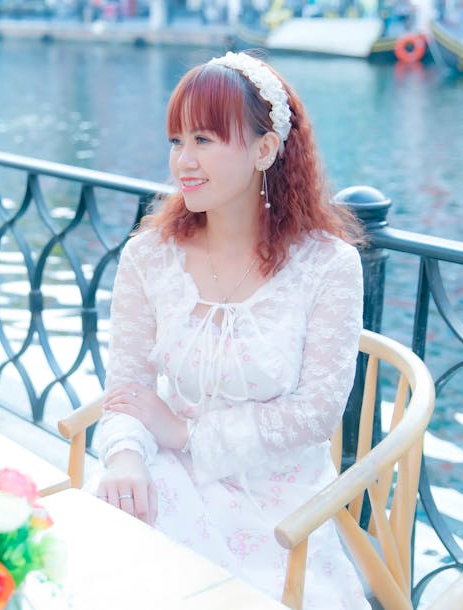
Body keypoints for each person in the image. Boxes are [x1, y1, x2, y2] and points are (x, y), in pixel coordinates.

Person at [91, 51, 370, 607]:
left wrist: (187, 435)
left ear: (264, 149)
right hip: (171, 473)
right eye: (176, 141)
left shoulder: (327, 265)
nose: (182, 162)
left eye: (204, 140)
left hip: (280, 499)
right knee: (111, 557)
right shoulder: (150, 256)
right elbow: (127, 391)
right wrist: (125, 452)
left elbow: (316, 414)